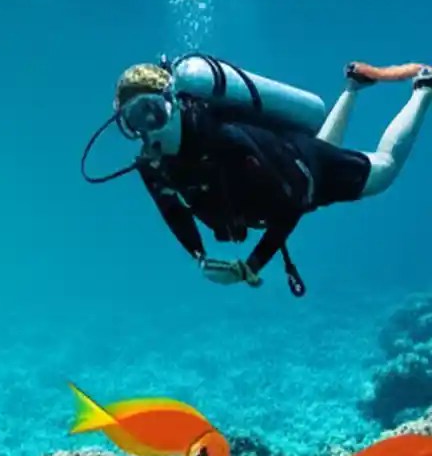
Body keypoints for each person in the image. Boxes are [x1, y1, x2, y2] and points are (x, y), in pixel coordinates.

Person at [104, 57, 431, 295]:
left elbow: (291, 204)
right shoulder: (152, 166)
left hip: (305, 169)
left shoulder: (226, 140)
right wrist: (200, 257)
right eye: (133, 121)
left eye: (152, 112)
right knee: (324, 147)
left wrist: (253, 265)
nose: (148, 130)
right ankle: (354, 86)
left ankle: (423, 87)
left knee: (385, 170)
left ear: (172, 103)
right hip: (287, 167)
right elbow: (173, 212)